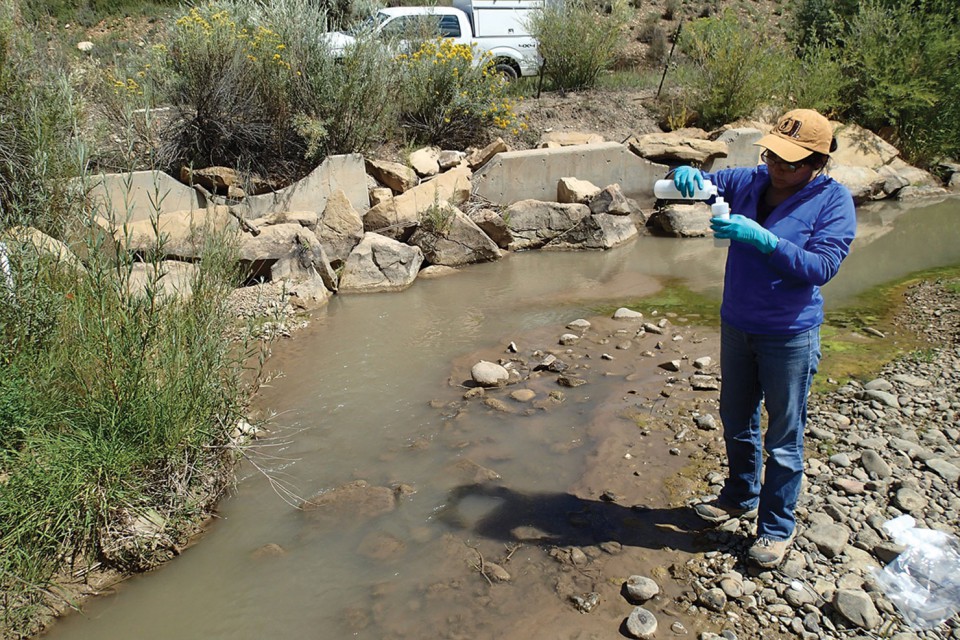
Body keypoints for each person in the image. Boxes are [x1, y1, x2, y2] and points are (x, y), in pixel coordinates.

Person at [668, 109, 857, 568]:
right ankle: (739, 495)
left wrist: (765, 240)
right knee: (736, 418)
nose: (776, 167)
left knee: (784, 438)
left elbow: (822, 267)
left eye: (790, 162)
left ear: (817, 163)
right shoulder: (750, 180)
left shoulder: (833, 201)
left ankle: (776, 527)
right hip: (738, 323)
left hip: (789, 334)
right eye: (772, 155)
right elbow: (704, 182)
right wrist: (683, 174)